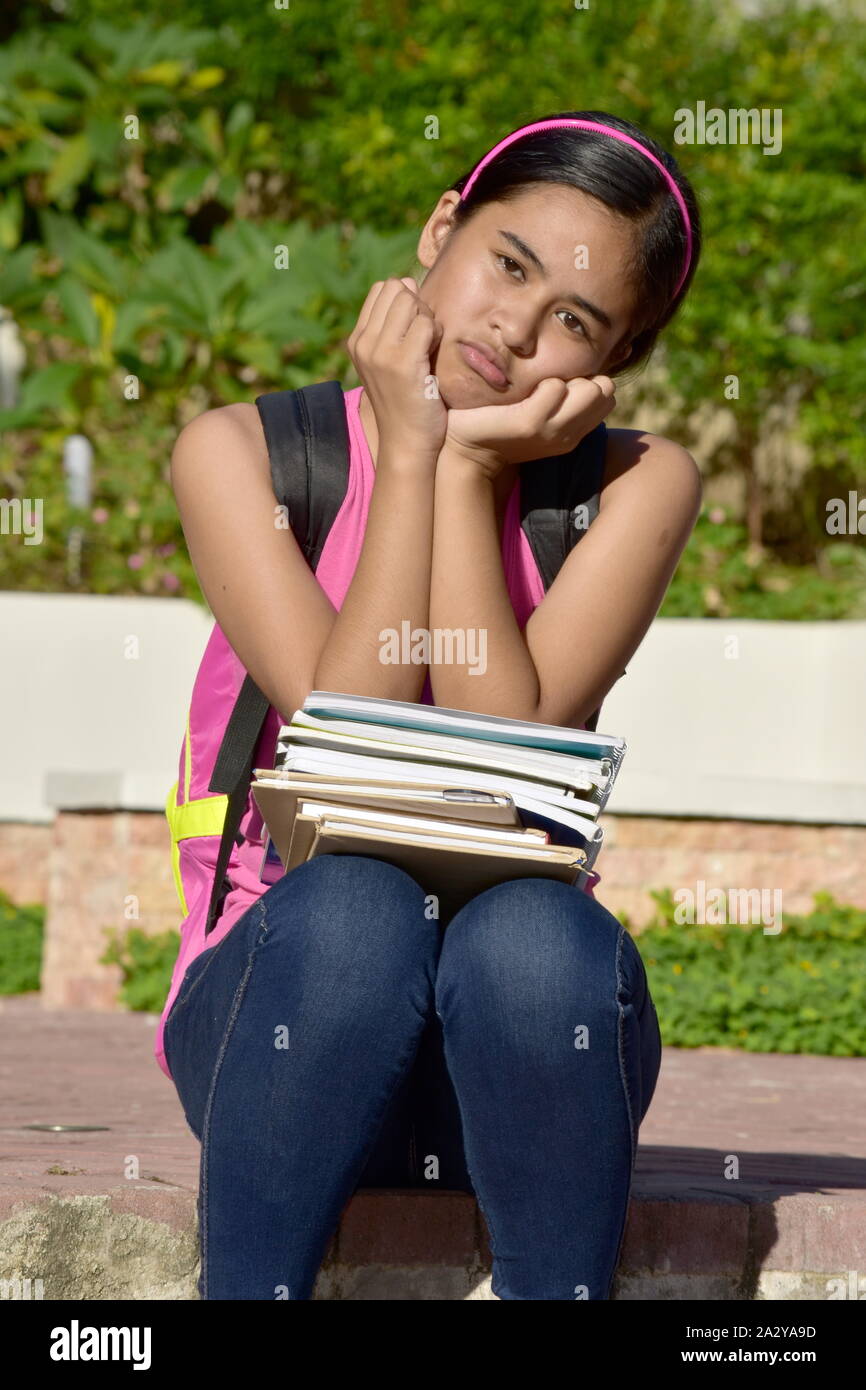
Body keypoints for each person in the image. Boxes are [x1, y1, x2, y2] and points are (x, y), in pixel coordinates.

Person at [161, 109, 703, 1300]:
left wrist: (464, 470)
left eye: (574, 319)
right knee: (355, 909)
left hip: (518, 1056)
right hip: (281, 1026)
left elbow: (501, 744)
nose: (514, 327)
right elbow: (340, 723)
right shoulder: (243, 456)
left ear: (612, 363)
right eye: (505, 264)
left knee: (533, 934)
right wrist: (408, 451)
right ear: (439, 229)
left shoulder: (635, 485)